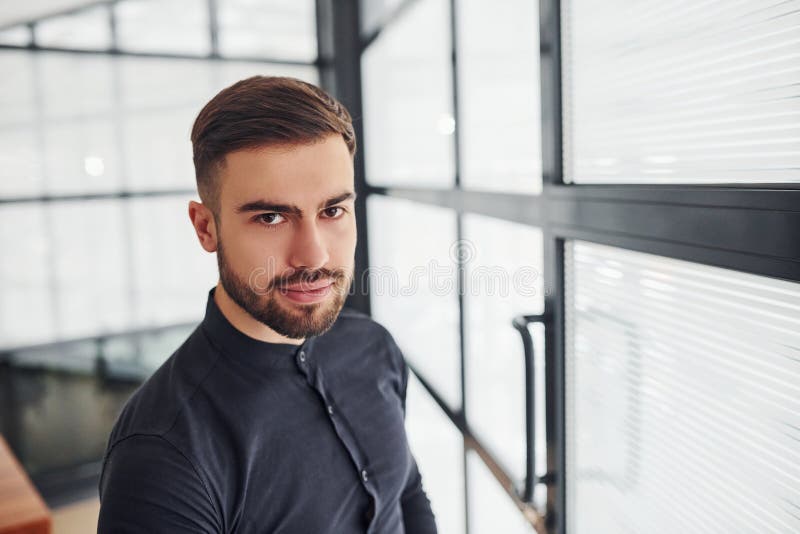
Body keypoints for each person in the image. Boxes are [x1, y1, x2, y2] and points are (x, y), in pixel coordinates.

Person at [97, 76, 437, 534]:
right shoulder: (161, 457)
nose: (313, 256)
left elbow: (406, 492)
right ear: (205, 227)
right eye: (271, 217)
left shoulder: (373, 347)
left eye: (332, 211)